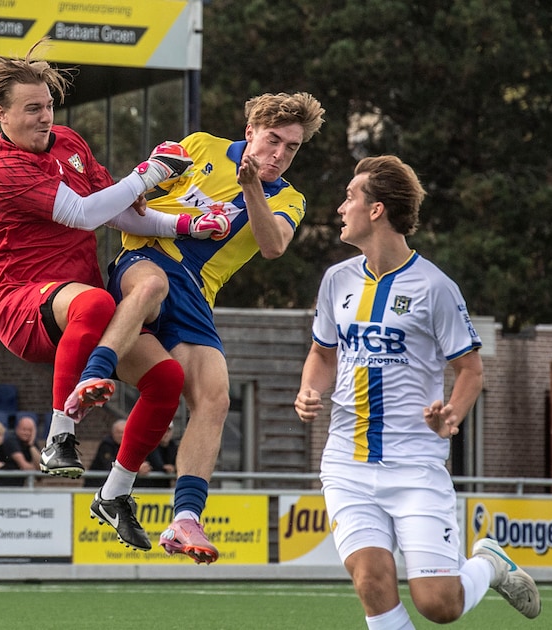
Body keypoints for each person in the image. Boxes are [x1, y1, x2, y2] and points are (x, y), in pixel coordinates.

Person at [0, 42, 224, 549]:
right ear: (1, 114)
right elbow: (83, 213)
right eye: (32, 108)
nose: (45, 116)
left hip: (80, 306)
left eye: (48, 105)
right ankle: (59, 437)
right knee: (96, 303)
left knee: (166, 379)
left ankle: (114, 493)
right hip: (20, 303)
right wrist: (150, 172)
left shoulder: (69, 141)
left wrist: (186, 225)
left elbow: (117, 212)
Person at [294, 155, 540, 628]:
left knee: (439, 605)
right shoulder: (336, 281)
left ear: (376, 210)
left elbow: (470, 370)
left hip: (415, 466)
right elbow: (323, 354)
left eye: (350, 197)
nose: (340, 207)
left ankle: (489, 564)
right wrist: (309, 389)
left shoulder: (435, 287)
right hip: (347, 463)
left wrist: (452, 415)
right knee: (371, 579)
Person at [89, 92, 325, 562]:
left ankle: (184, 518)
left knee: (215, 397)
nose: (279, 153)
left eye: (292, 147)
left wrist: (252, 187)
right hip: (147, 257)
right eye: (273, 140)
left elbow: (274, 245)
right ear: (250, 132)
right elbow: (133, 195)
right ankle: (92, 375)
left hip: (196, 293)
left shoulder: (290, 198)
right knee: (150, 286)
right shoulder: (201, 146)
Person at [83, 418, 163, 489]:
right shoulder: (107, 445)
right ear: (113, 433)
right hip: (99, 487)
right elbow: (110, 465)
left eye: (124, 432)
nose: (121, 435)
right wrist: (136, 467)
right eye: (119, 432)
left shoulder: (134, 444)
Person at [0, 414, 40, 486]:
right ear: (17, 429)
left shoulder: (31, 442)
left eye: (30, 430)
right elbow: (25, 467)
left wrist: (31, 445)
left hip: (20, 484)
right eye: (24, 430)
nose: (27, 433)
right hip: (6, 483)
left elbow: (41, 467)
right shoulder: (11, 440)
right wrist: (36, 469)